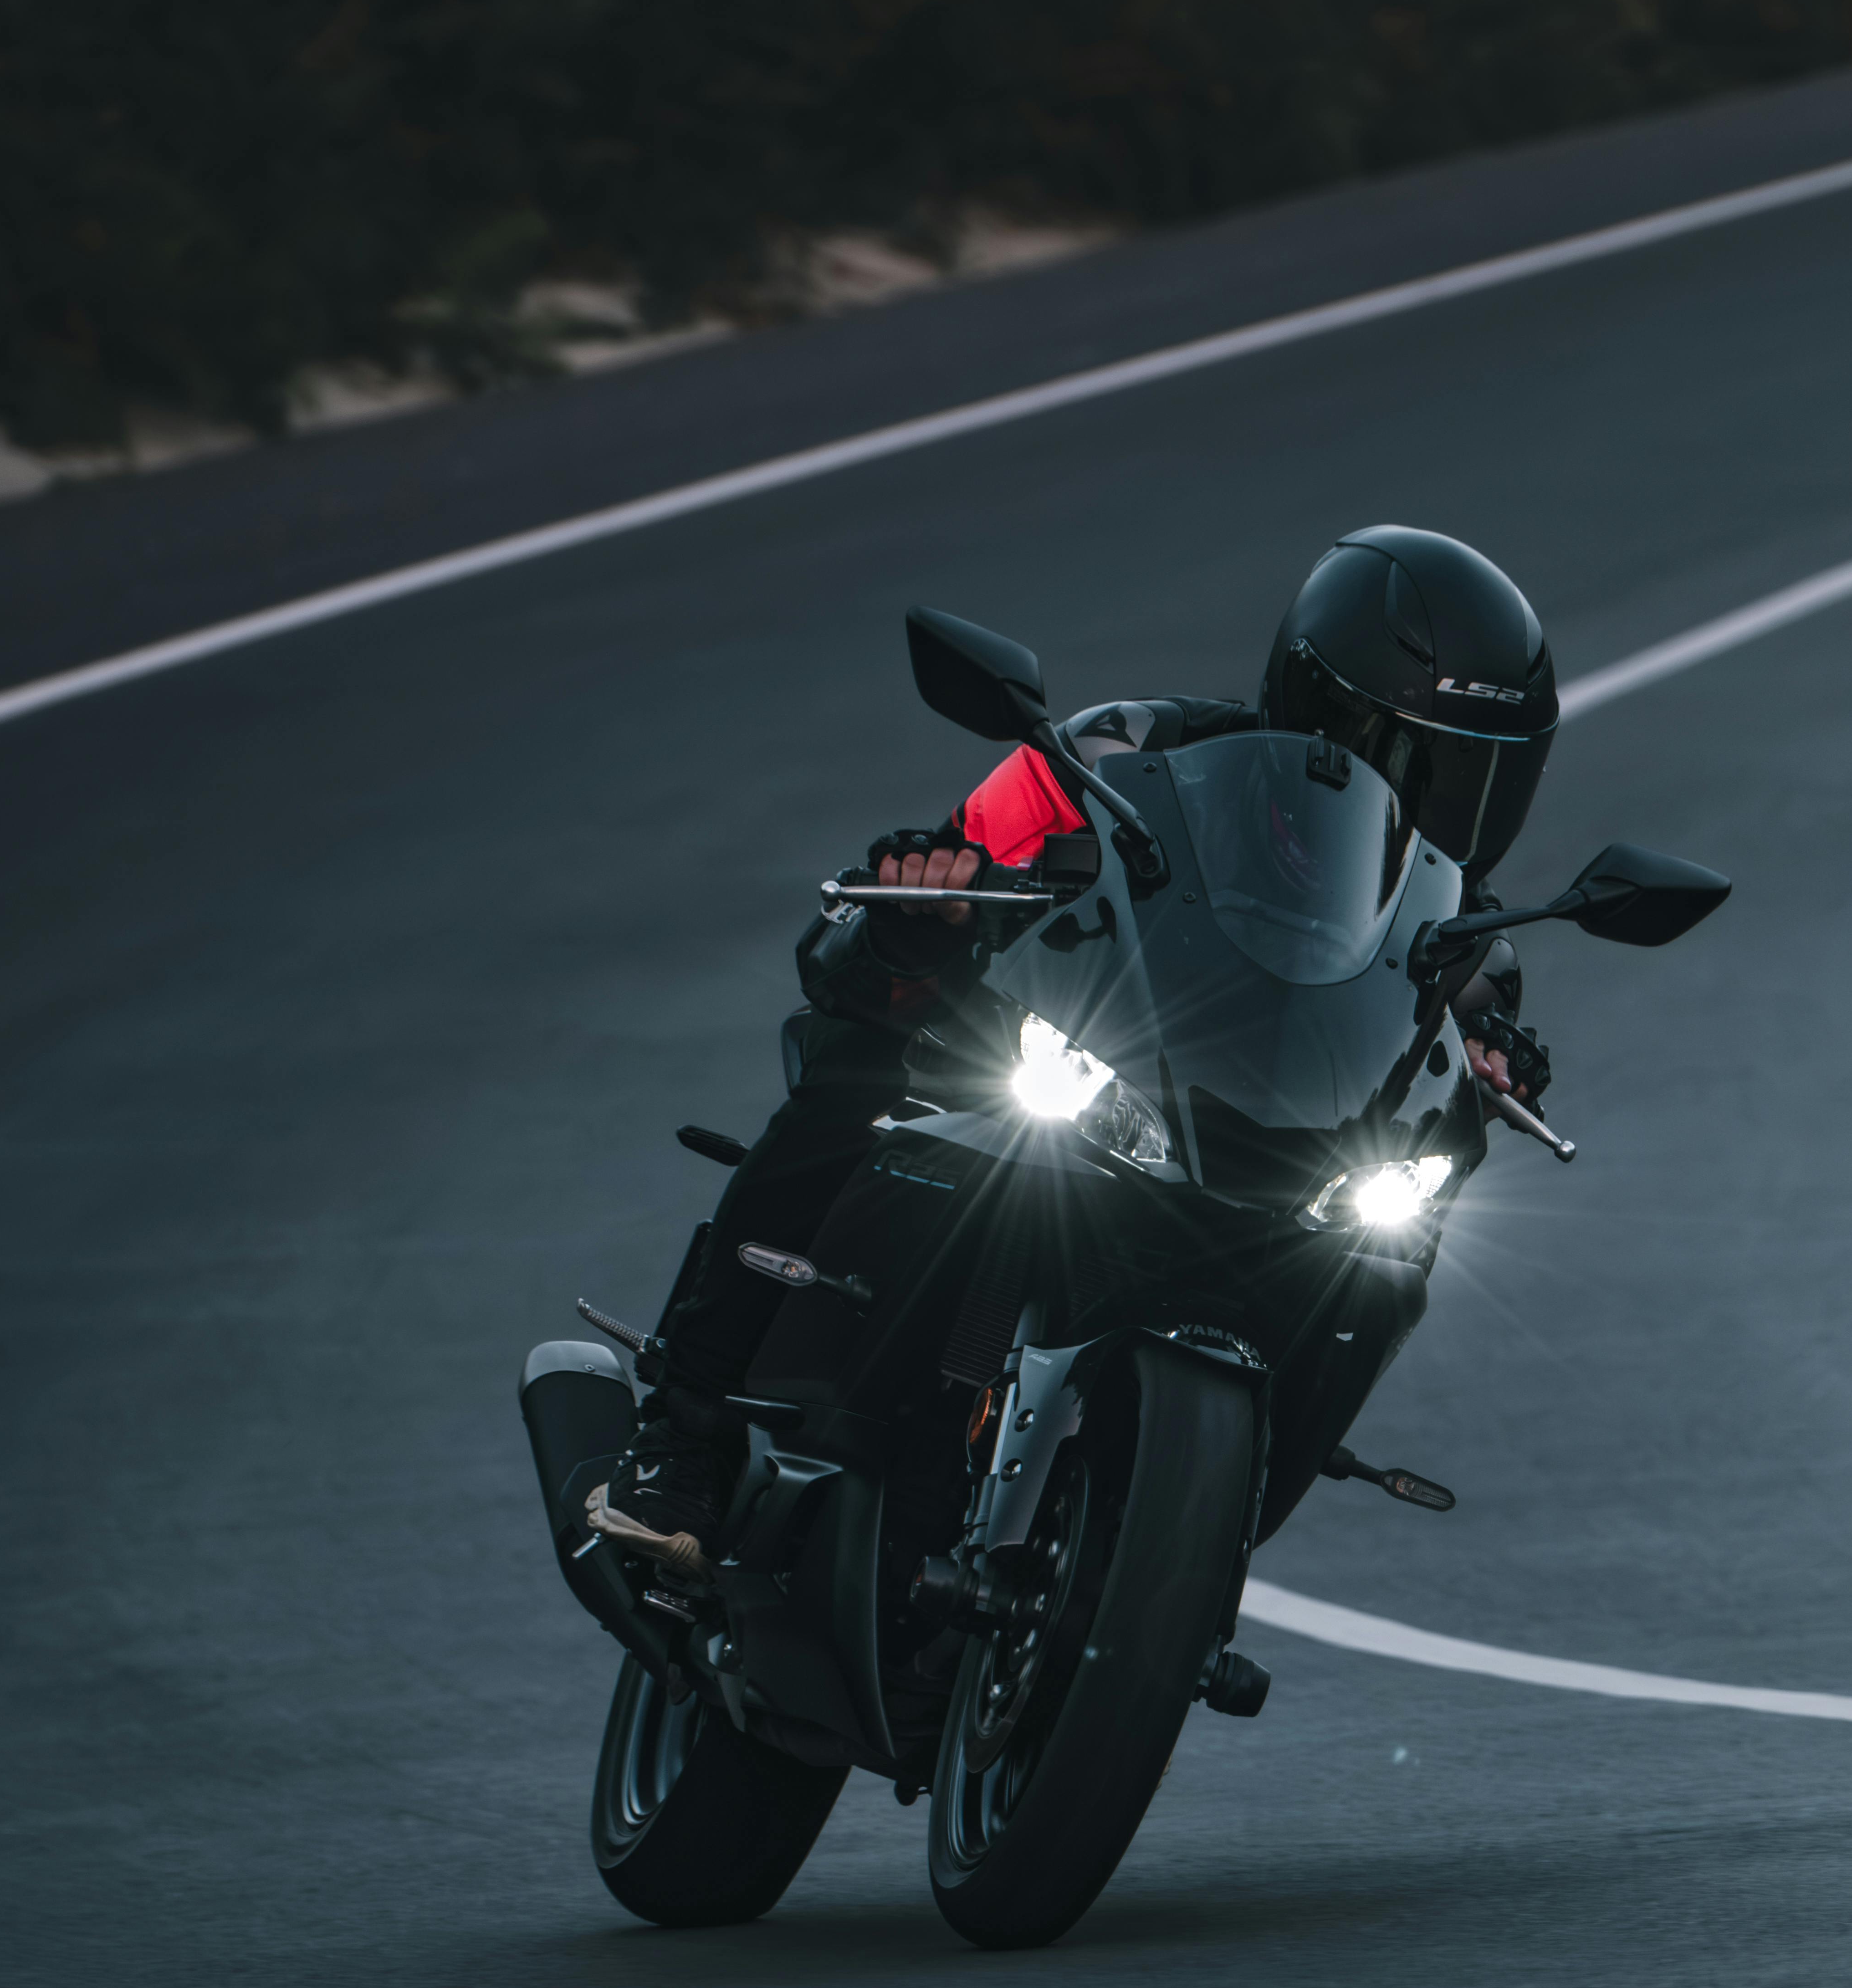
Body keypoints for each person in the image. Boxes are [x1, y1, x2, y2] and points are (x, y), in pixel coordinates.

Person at [611, 526, 1560, 1558]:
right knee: (862, 1076)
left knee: (1389, 1255)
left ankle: (1189, 1554)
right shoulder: (1117, 759)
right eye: (1417, 756)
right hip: (1062, 1072)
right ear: (1319, 704)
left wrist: (1489, 1066)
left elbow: (1456, 1031)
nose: (1434, 800)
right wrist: (932, 898)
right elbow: (884, 922)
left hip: (1258, 1171)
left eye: (1475, 778)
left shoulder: (1445, 926)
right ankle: (684, 1433)